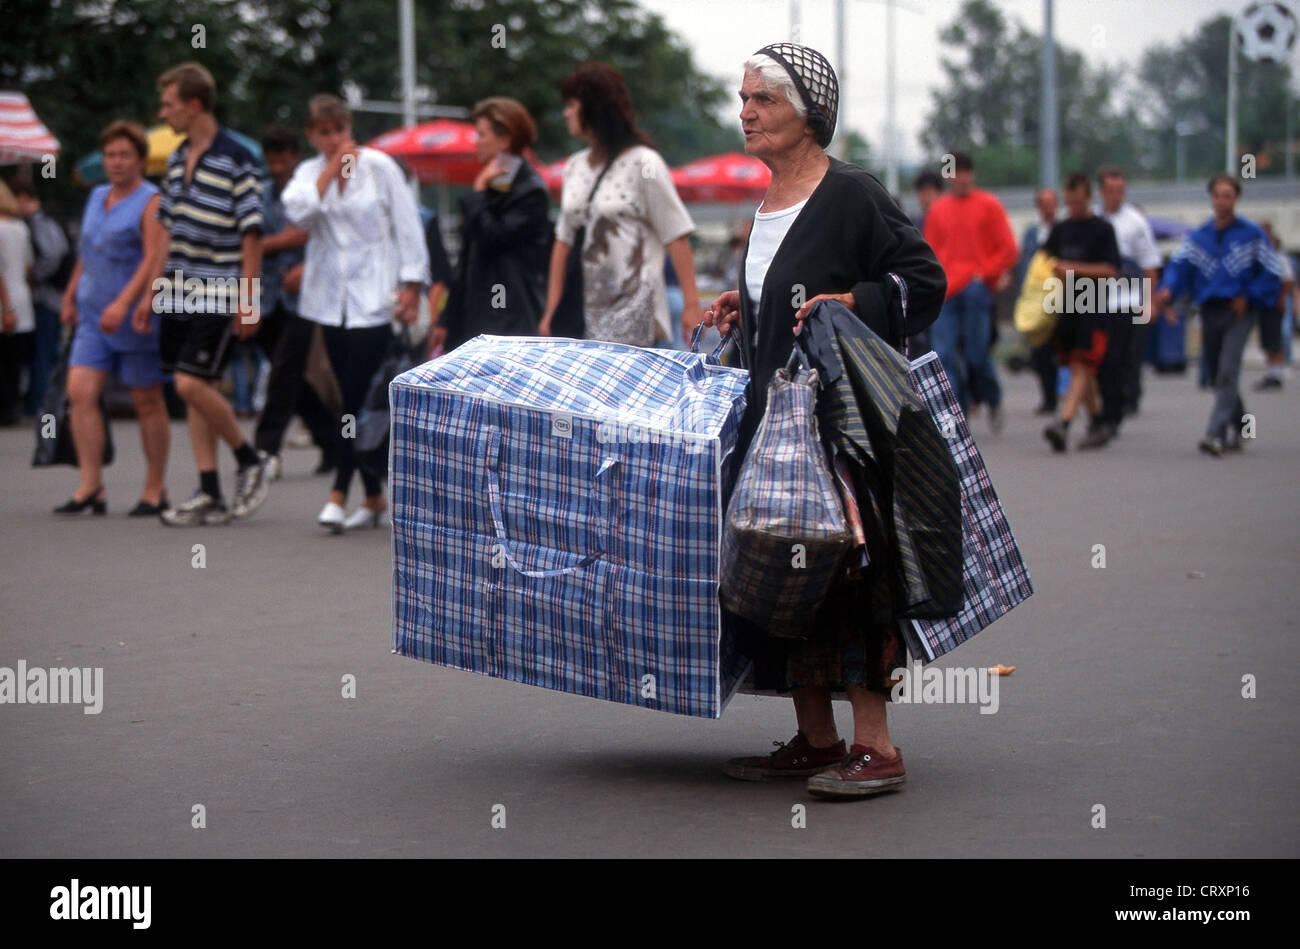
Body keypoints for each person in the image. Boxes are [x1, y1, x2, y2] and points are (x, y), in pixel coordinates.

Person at [700, 43, 946, 800]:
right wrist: (750, 306)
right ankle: (816, 737)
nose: (746, 112)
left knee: (849, 579)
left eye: (763, 100)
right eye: (743, 99)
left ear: (809, 114)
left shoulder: (851, 193)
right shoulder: (768, 203)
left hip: (840, 431)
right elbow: (789, 291)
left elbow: (923, 279)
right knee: (785, 571)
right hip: (774, 424)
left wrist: (856, 302)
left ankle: (877, 745)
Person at [282, 93, 429, 531]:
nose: (334, 139)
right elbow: (299, 213)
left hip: (376, 298)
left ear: (350, 129)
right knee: (349, 398)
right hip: (330, 301)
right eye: (324, 133)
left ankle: (339, 491)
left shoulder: (378, 167)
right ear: (312, 136)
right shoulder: (309, 173)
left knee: (353, 396)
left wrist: (412, 283)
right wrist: (330, 170)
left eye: (339, 130)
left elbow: (407, 224)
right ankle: (374, 496)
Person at [149, 62, 272, 526]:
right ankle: (209, 491)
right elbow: (165, 231)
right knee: (195, 389)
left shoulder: (238, 158)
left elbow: (252, 234)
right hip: (177, 288)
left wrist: (249, 299)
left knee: (189, 383)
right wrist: (151, 292)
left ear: (195, 104)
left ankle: (249, 459)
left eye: (169, 104)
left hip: (218, 288)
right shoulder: (176, 159)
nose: (163, 113)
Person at [54, 120, 172, 516]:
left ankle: (155, 487)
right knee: (80, 393)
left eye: (124, 155)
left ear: (140, 160)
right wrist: (70, 295)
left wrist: (124, 303)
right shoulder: (97, 195)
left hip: (133, 313)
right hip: (92, 312)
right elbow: (87, 252)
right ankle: (91, 484)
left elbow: (153, 257)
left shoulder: (151, 200)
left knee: (146, 399)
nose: (116, 162)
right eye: (110, 155)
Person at [539, 61, 701, 347]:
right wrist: (552, 311)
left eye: (572, 105)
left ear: (593, 108)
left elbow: (676, 234)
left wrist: (691, 305)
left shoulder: (644, 163)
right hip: (583, 316)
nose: (566, 113)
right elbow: (563, 242)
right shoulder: (574, 166)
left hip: (635, 317)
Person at [1155, 174, 1283, 456]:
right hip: (1210, 310)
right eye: (1217, 195)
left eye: (1228, 195)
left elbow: (1272, 271)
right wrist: (1167, 290)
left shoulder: (1251, 234)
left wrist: (1249, 295)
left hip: (1239, 311)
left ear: (1236, 199)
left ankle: (1215, 434)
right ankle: (1243, 426)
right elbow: (1179, 266)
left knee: (1228, 370)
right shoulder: (1199, 237)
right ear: (1211, 198)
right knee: (1215, 374)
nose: (1222, 201)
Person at [250, 123, 337, 478]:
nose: (277, 167)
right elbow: (247, 242)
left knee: (283, 371)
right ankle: (334, 441)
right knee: (293, 379)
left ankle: (264, 449)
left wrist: (304, 263)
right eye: (272, 160)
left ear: (296, 158)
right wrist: (281, 241)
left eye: (283, 160)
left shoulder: (312, 190)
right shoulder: (260, 194)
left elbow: (325, 238)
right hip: (267, 298)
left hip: (305, 299)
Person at [432, 97, 550, 355]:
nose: (476, 141)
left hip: (507, 318)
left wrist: (478, 193)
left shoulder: (531, 191)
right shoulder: (491, 187)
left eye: (482, 134)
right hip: (471, 318)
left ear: (505, 140)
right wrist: (447, 319)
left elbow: (493, 238)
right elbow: (466, 260)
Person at [923, 152, 1017, 428]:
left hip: (975, 289)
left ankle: (992, 398)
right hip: (946, 292)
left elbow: (1008, 249)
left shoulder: (988, 205)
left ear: (972, 174)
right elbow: (928, 252)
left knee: (977, 354)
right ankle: (957, 416)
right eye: (956, 172)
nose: (961, 178)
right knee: (944, 355)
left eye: (966, 171)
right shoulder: (938, 210)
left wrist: (984, 274)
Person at [1040, 172, 1121, 453]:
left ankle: (1063, 423)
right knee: (1079, 367)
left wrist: (1073, 269)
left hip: (1094, 305)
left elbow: (1110, 269)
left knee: (1082, 365)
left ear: (1089, 197)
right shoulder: (1061, 229)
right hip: (1066, 306)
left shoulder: (1102, 229)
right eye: (1069, 201)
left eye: (1078, 201)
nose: (1073, 207)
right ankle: (1098, 421)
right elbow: (1045, 260)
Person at [1090, 164, 1162, 446]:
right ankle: (1105, 408)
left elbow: (1150, 265)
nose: (1115, 195)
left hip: (1126, 302)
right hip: (1093, 300)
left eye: (1119, 190)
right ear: (1101, 191)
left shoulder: (1135, 222)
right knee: (1097, 360)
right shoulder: (1093, 220)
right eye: (1110, 190)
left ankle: (1114, 414)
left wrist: (1150, 301)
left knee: (1118, 358)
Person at [11, 181, 70, 417]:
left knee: (43, 353)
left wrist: (34, 276)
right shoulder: (39, 220)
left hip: (48, 297)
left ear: (22, 197)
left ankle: (41, 404)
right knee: (45, 352)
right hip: (51, 297)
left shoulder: (41, 221)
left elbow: (54, 254)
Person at [1015, 186, 1060, 415]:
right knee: (1040, 350)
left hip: (1059, 297)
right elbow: (1023, 264)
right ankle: (1049, 396)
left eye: (1051, 203)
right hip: (1037, 298)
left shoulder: (1063, 230)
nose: (1048, 208)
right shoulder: (1032, 233)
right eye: (1044, 204)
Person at [0, 180, 35, 426]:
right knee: (14, 361)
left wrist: (6, 307)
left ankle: (5, 410)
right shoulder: (21, 227)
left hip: (5, 302)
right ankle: (14, 408)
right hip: (22, 298)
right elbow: (28, 266)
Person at [1253, 222, 1294, 391]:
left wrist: (1281, 299)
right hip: (1262, 303)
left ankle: (1277, 373)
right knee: (1267, 340)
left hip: (1274, 303)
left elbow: (1288, 280)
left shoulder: (1279, 257)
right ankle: (1270, 373)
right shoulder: (1258, 257)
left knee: (1276, 338)